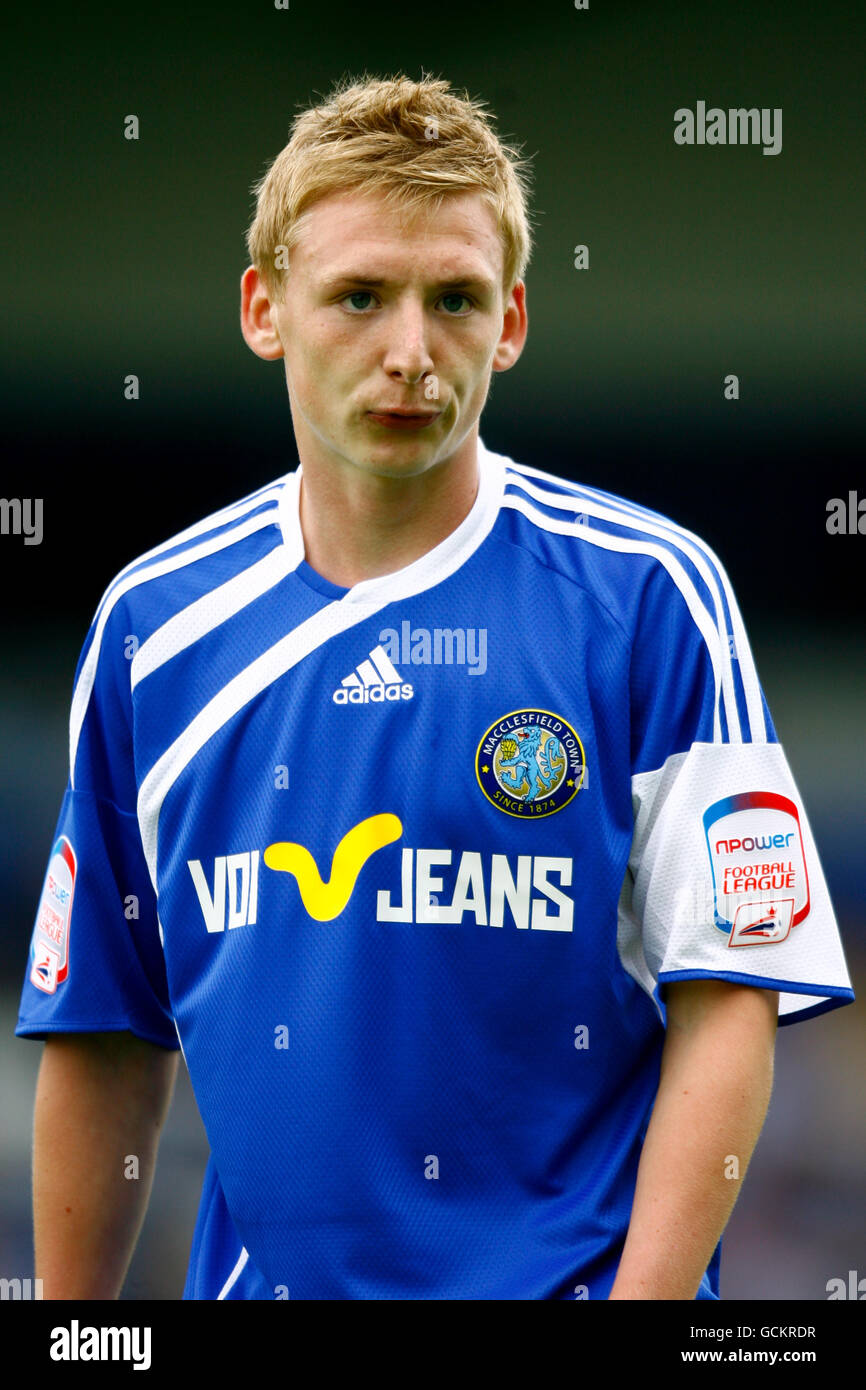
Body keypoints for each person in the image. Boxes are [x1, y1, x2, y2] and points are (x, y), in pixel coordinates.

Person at [17, 72, 854, 1301]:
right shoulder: (154, 626)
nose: (410, 352)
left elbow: (727, 999)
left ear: (509, 321)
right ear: (265, 310)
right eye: (359, 295)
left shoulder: (651, 595)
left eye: (453, 300)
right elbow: (101, 1032)